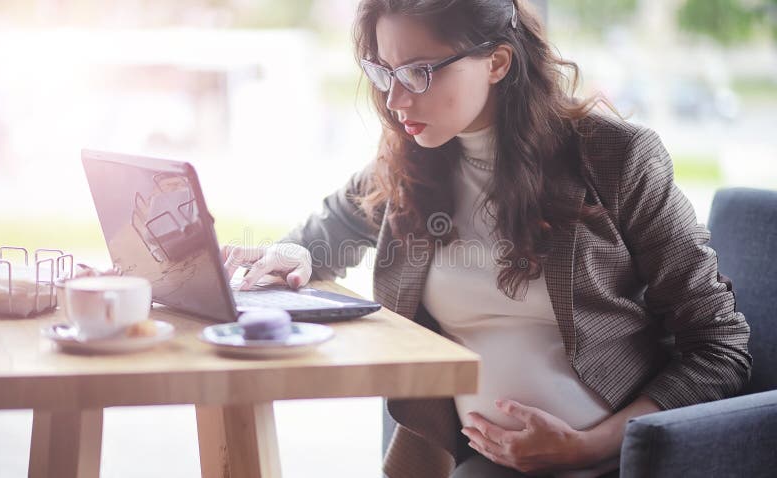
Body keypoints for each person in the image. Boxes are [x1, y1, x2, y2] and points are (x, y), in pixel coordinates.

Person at [221, 1, 752, 477]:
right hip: (474, 460)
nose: (396, 97)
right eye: (383, 72)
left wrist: (590, 447)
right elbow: (320, 238)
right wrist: (287, 257)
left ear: (497, 62)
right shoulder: (408, 162)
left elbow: (719, 346)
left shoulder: (614, 157)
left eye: (420, 71)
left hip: (613, 461)